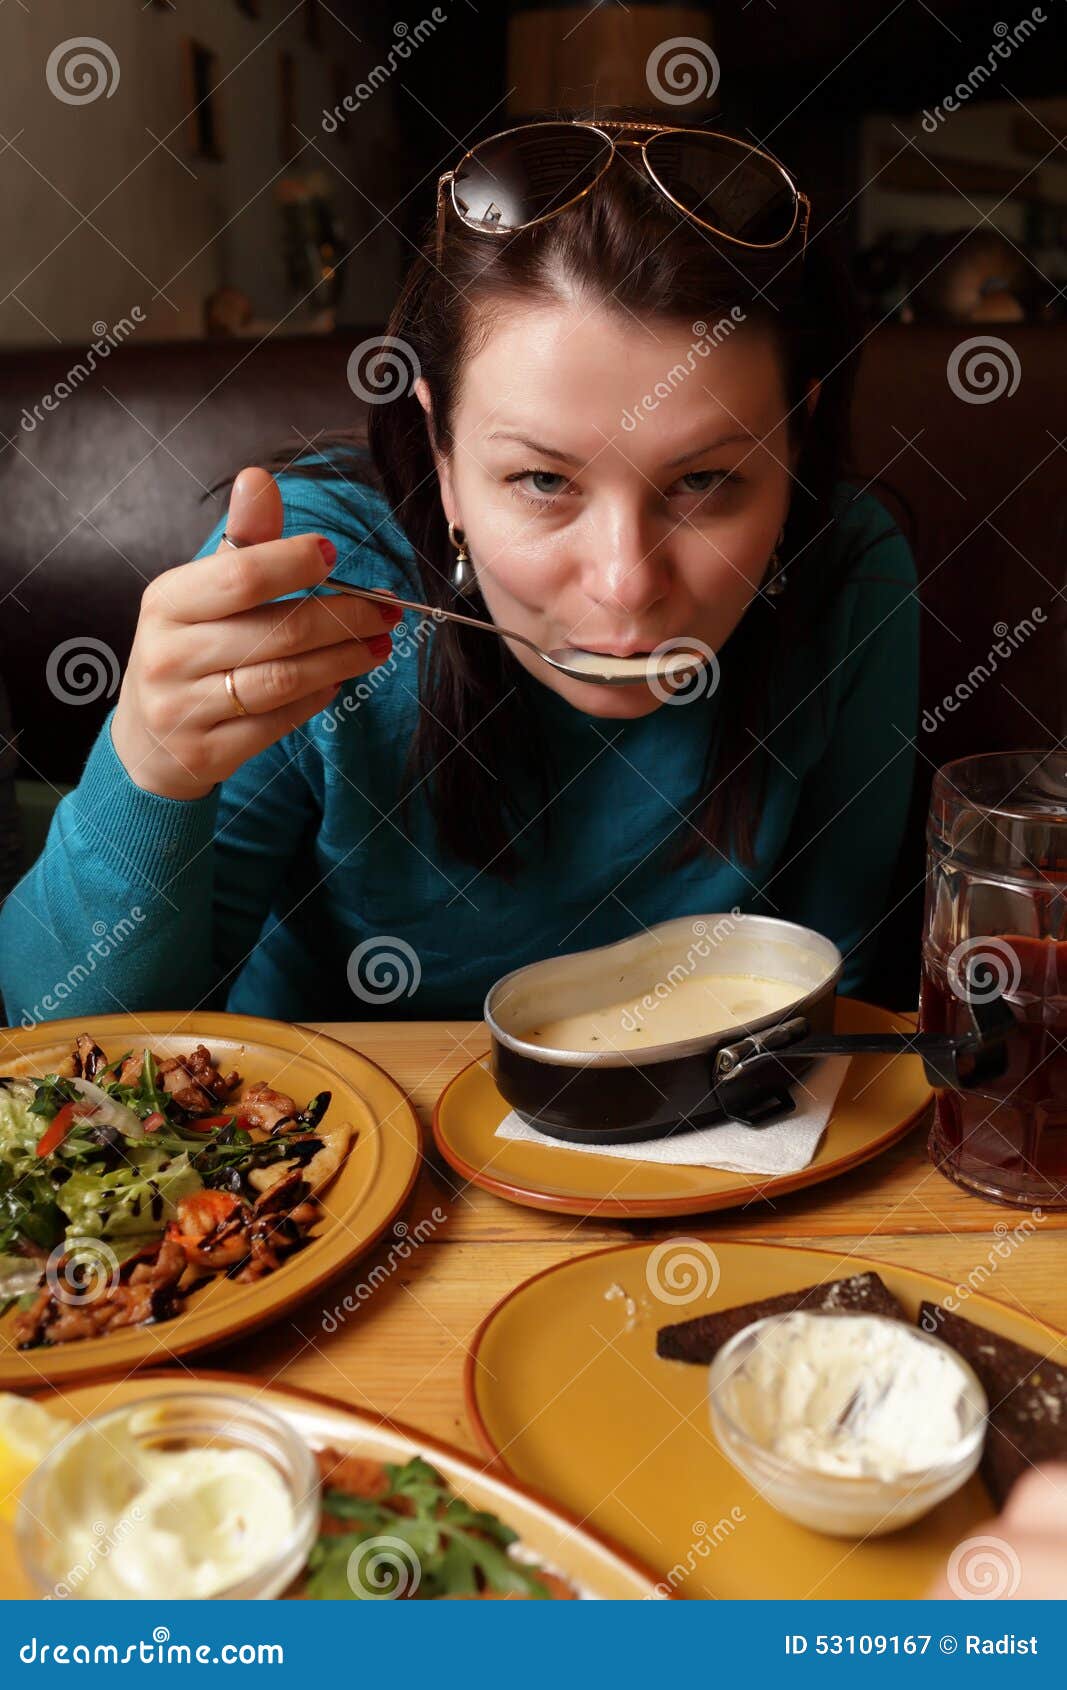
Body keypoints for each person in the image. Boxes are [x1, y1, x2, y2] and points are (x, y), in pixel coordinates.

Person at [0, 116, 918, 1025]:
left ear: (796, 441)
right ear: (441, 453)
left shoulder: (849, 579)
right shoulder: (313, 576)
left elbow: (832, 995)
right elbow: (61, 1040)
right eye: (543, 479)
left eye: (707, 480)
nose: (625, 583)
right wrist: (149, 769)